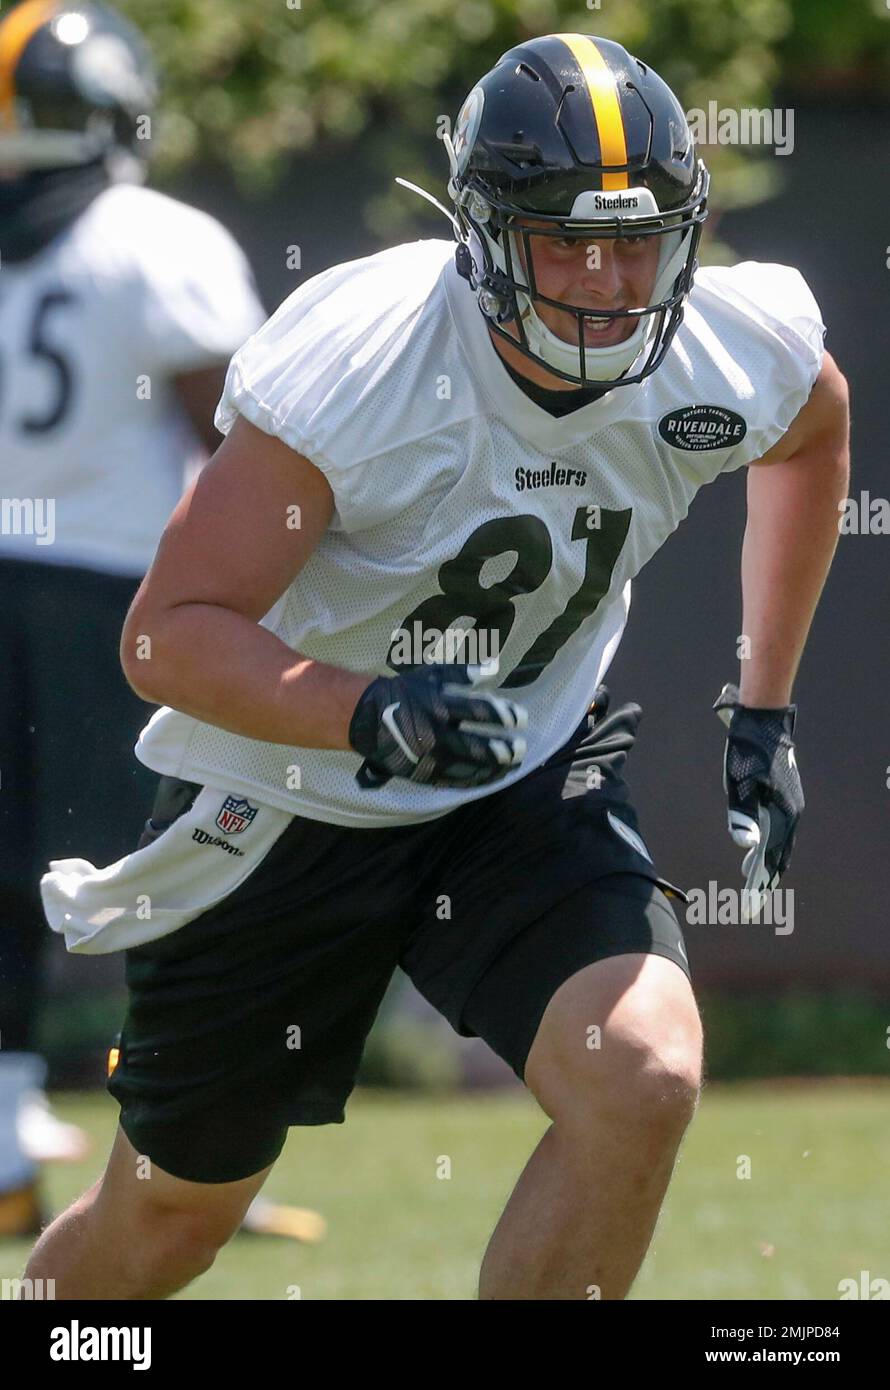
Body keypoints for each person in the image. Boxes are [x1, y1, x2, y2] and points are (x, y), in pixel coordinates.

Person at [26, 33, 848, 1299]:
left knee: (642, 1072)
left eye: (634, 239)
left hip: (517, 767)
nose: (604, 279)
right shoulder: (368, 363)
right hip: (284, 792)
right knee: (167, 1223)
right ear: (478, 233)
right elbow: (166, 635)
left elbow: (812, 433)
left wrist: (764, 702)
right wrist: (369, 714)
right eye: (563, 238)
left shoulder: (723, 346)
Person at [0, 0, 266, 1237]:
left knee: (15, 875)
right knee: (164, 861)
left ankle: (12, 1144)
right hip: (114, 591)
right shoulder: (155, 237)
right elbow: (243, 439)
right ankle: (181, 1147)